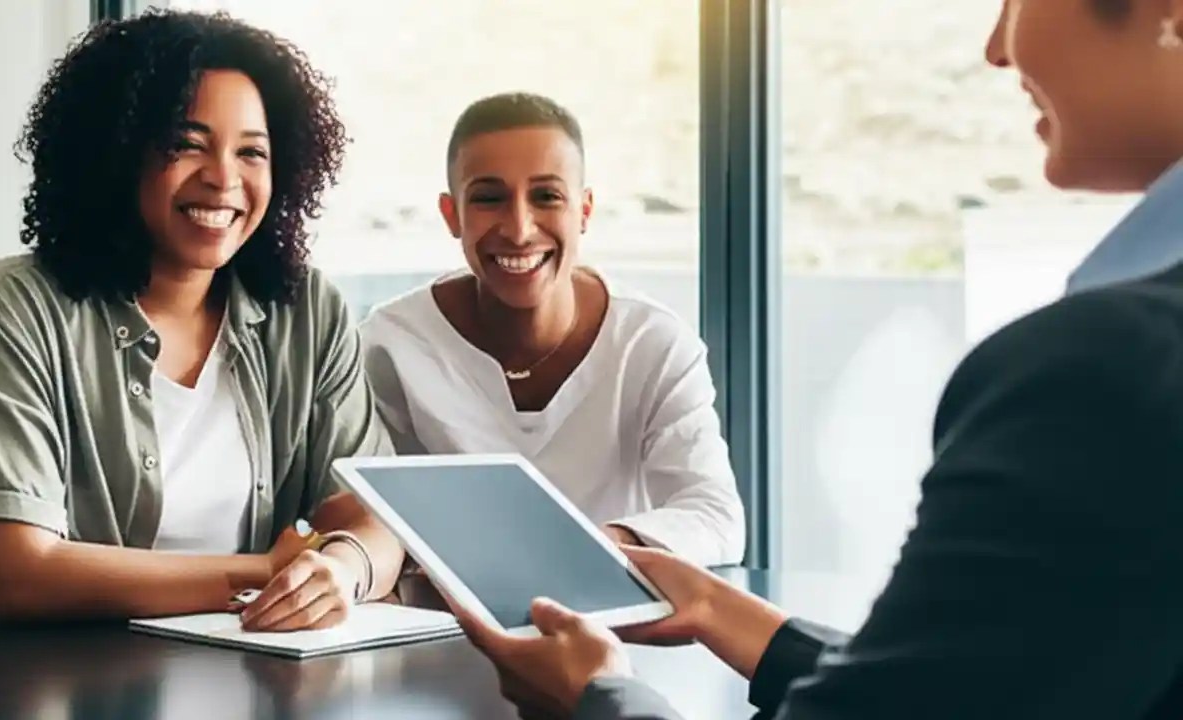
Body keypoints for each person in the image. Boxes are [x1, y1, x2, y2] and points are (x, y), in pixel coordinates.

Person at [453, 1, 1183, 717]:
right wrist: (726, 614)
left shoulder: (1100, 372)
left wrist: (601, 695)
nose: (998, 46)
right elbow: (976, 686)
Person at [0, 9, 405, 636]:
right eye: (186, 144)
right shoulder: (7, 308)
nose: (225, 178)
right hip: (19, 681)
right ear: (115, 152)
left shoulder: (308, 310)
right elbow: (15, 573)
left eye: (252, 151)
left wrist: (341, 571)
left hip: (236, 678)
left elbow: (375, 518)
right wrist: (264, 572)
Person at [359, 93, 745, 567]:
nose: (519, 229)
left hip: (616, 627)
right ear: (451, 215)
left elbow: (715, 516)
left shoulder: (653, 344)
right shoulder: (390, 345)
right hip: (441, 624)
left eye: (546, 196)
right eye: (488, 198)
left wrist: (590, 549)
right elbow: (367, 517)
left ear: (583, 211)